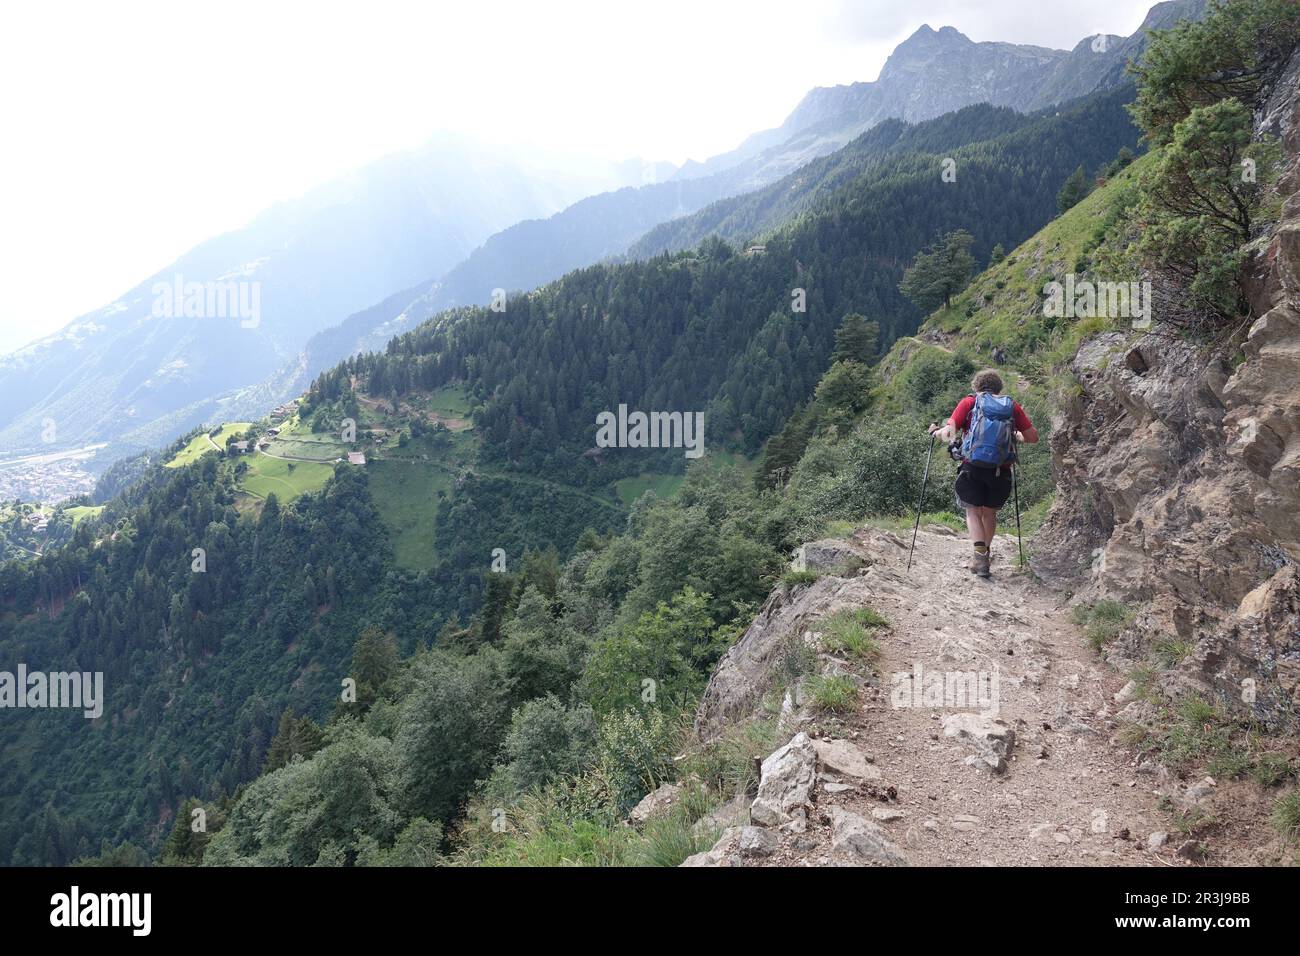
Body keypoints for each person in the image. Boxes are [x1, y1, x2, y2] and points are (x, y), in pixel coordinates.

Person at [928, 369, 1038, 578]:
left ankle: (980, 558)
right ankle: (985, 554)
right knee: (989, 513)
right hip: (1001, 470)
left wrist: (935, 432)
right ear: (999, 388)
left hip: (973, 466)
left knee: (972, 511)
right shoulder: (1011, 406)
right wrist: (1014, 436)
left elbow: (949, 433)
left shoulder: (969, 402)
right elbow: (1033, 437)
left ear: (977, 387)